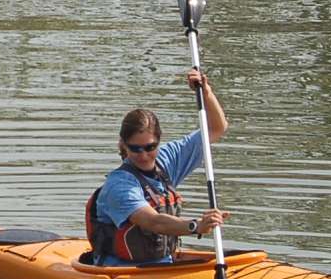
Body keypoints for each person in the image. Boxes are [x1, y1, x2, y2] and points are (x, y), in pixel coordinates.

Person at [85, 68, 230, 266]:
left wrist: (206, 93)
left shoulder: (167, 159)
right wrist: (196, 226)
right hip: (121, 270)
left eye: (150, 147)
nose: (144, 155)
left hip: (163, 263)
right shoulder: (119, 185)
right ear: (123, 145)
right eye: (135, 149)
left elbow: (216, 128)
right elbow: (154, 222)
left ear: (159, 141)